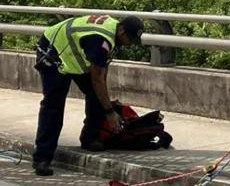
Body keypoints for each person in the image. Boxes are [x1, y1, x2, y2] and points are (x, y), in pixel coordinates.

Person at [31, 14, 145, 176]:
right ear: (122, 31)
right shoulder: (100, 40)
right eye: (130, 39)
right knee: (53, 106)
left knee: (98, 96)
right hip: (53, 54)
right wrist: (110, 112)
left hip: (73, 58)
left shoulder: (112, 32)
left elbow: (101, 75)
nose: (129, 44)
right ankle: (42, 158)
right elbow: (97, 78)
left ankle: (89, 138)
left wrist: (105, 103)